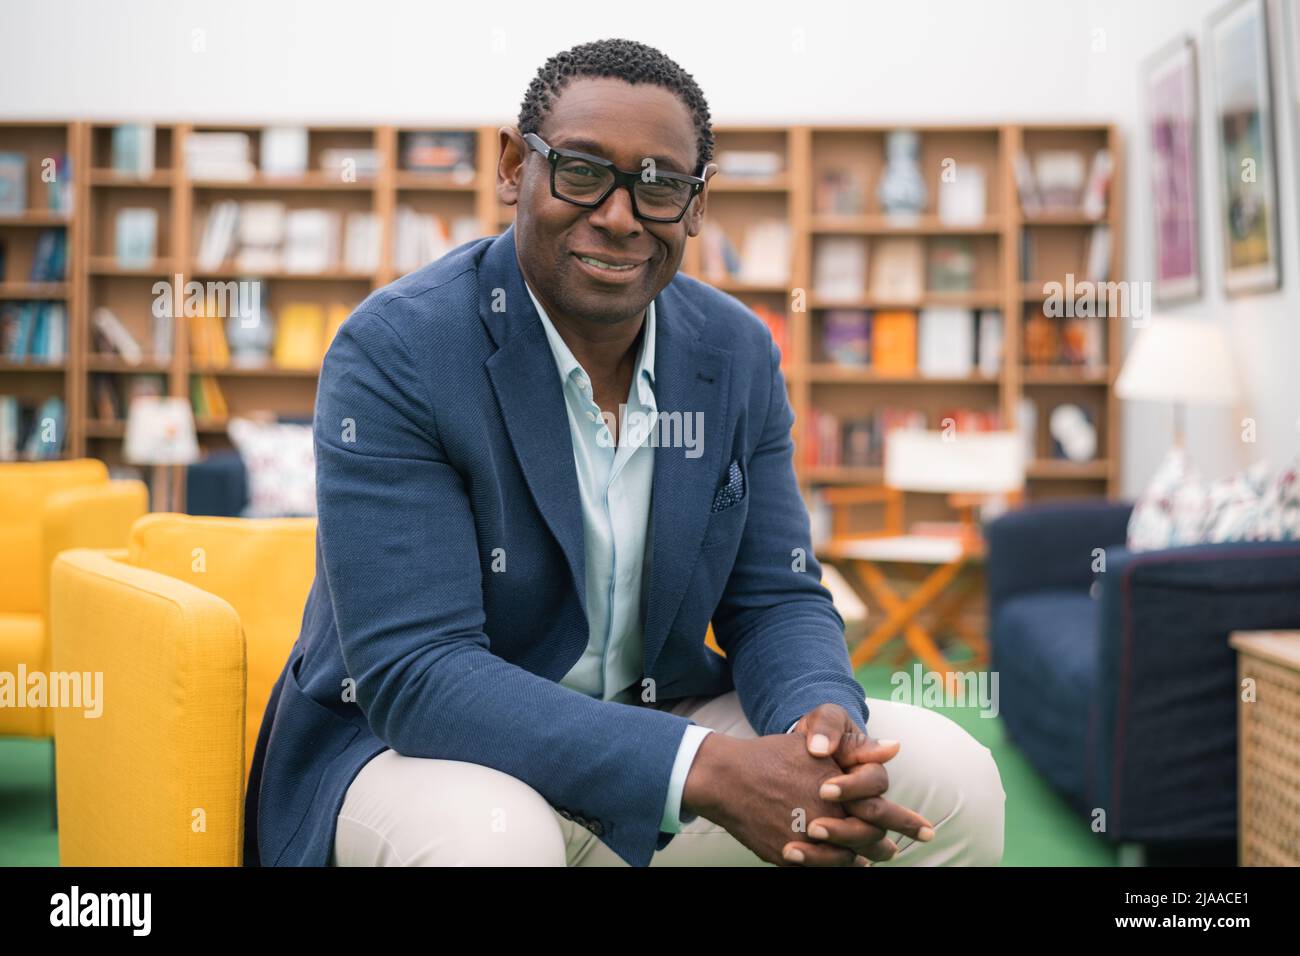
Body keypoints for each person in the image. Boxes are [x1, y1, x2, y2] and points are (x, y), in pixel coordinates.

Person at [244, 38, 1005, 867]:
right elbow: (419, 674)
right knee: (493, 840)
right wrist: (707, 772)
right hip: (414, 751)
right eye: (581, 171)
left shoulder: (737, 353)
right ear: (512, 168)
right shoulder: (399, 351)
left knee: (947, 777)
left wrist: (818, 724)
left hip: (660, 719)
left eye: (659, 185)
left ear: (696, 206)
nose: (618, 214)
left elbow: (775, 597)